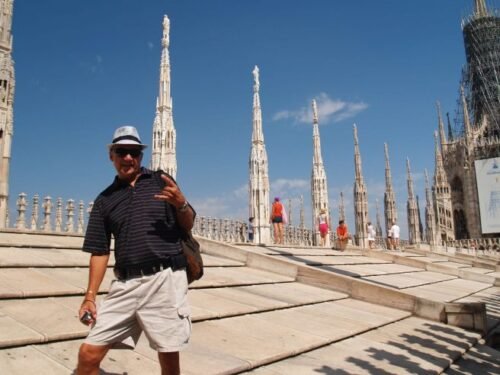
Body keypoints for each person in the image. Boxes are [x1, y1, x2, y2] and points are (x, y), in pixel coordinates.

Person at [77, 126, 195, 375]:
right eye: (122, 151)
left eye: (134, 152)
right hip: (126, 283)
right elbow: (99, 251)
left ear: (141, 155)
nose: (128, 157)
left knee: (169, 359)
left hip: (165, 279)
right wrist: (90, 296)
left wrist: (181, 204)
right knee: (88, 355)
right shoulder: (104, 200)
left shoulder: (161, 181)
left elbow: (188, 224)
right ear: (112, 155)